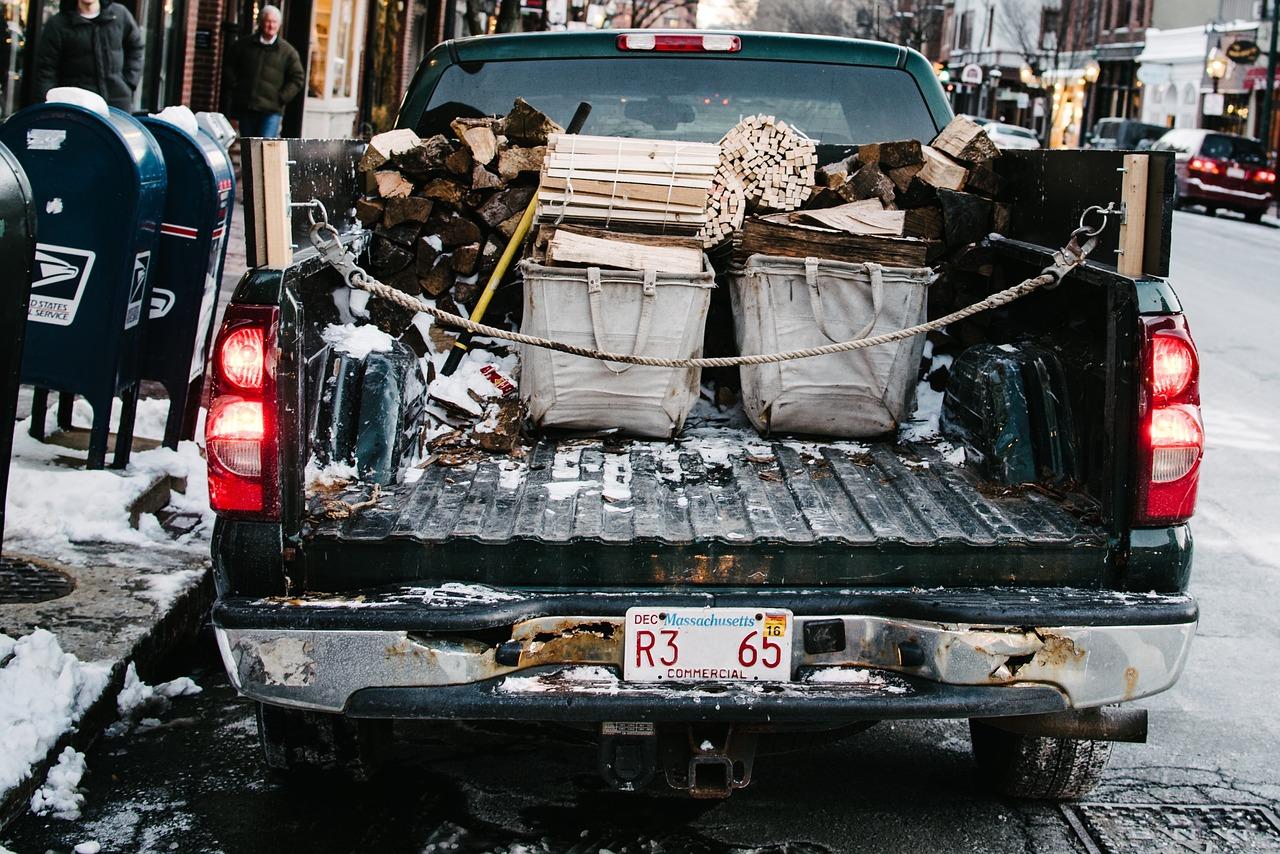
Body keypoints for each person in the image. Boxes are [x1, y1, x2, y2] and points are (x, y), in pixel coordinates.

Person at [32, 0, 143, 110]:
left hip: (117, 104)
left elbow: (136, 48)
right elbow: (46, 69)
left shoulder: (119, 14)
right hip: (77, 105)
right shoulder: (58, 23)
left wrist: (128, 83)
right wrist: (49, 104)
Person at [222, 6, 304, 139]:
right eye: (268, 21)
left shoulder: (288, 52)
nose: (271, 25)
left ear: (279, 25)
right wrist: (236, 87)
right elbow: (229, 66)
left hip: (271, 111)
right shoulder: (244, 45)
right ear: (261, 22)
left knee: (265, 146)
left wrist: (282, 97)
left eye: (274, 22)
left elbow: (297, 78)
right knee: (248, 145)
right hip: (247, 108)